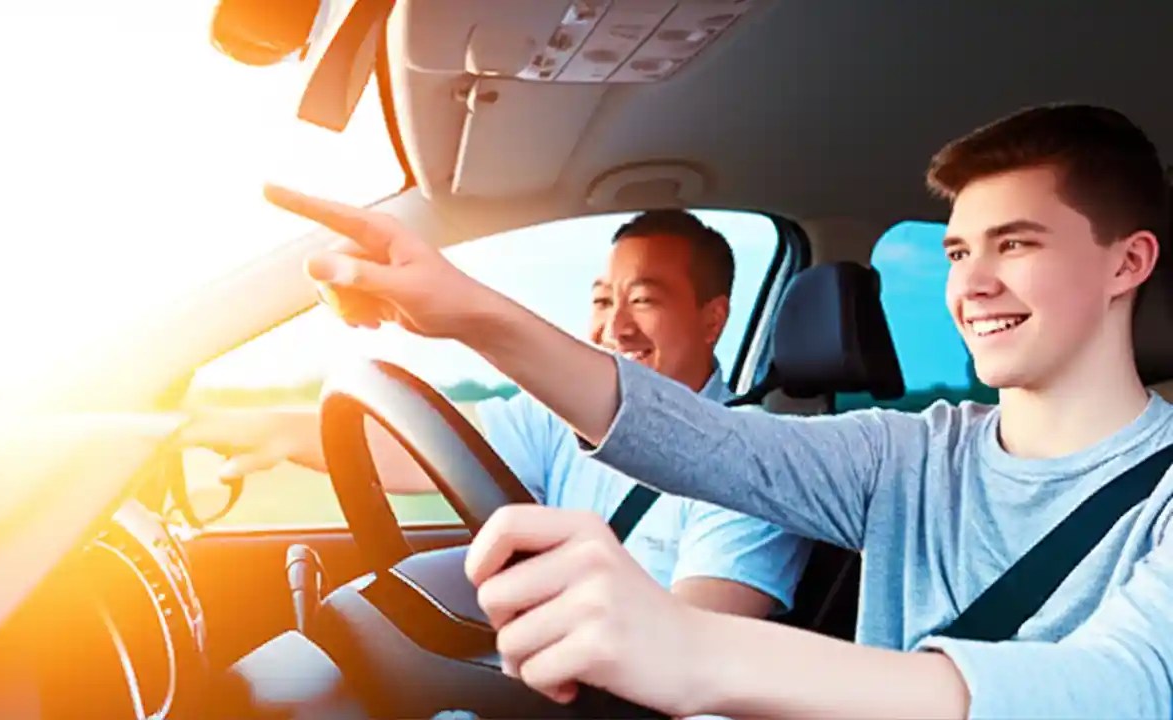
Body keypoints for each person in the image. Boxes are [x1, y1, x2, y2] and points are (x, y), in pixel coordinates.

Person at [265, 103, 1173, 719]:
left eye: (1015, 246)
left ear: (1127, 264)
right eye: (959, 250)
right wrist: (468, 312)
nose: (971, 284)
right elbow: (703, 441)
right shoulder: (910, 455)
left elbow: (1117, 684)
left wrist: (694, 648)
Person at [182, 210, 812, 618]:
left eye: (643, 301)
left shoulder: (754, 469)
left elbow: (700, 659)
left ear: (713, 318)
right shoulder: (559, 421)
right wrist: (274, 431)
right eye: (601, 300)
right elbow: (431, 446)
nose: (614, 327)